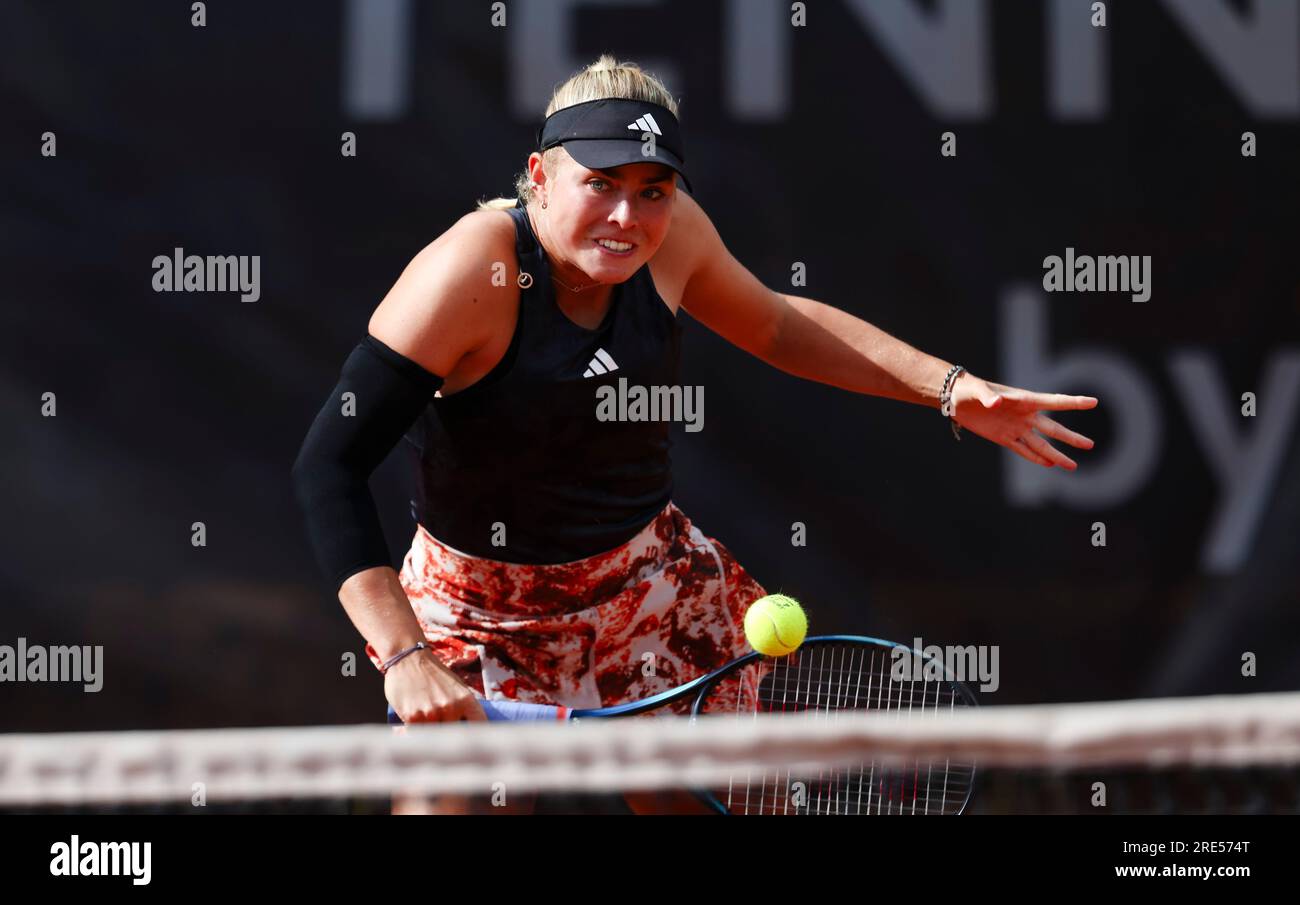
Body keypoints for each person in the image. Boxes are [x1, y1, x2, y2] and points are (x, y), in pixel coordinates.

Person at [291, 55, 1098, 814]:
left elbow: (778, 327)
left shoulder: (673, 237)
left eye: (653, 189)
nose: (626, 215)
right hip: (476, 617)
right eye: (600, 182)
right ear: (540, 176)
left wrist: (950, 389)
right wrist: (404, 659)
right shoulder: (469, 273)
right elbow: (329, 464)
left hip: (652, 593)